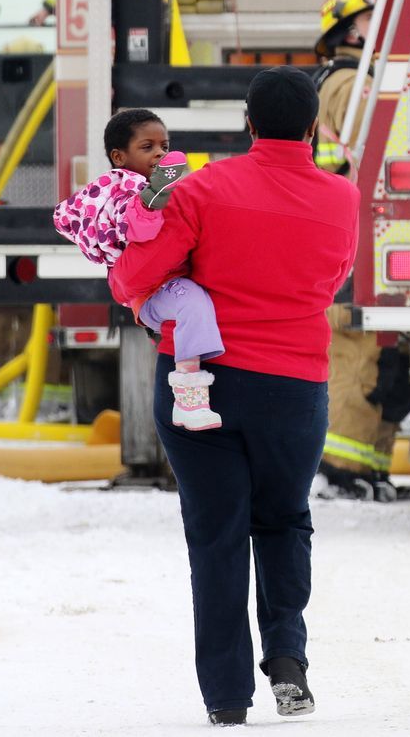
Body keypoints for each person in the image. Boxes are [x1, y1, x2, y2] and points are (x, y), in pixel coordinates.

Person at [110, 66, 359, 726]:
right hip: (293, 385)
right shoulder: (341, 199)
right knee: (283, 519)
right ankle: (288, 663)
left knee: (216, 534)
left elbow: (135, 277)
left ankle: (225, 698)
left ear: (247, 123)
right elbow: (332, 278)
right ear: (312, 126)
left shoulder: (202, 189)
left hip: (202, 384)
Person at [312, 0, 410, 502]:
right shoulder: (345, 84)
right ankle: (336, 467)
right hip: (347, 238)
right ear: (354, 29)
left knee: (383, 362)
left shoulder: (362, 80)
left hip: (367, 233)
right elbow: (378, 139)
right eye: (378, 17)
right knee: (355, 353)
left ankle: (370, 465)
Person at [53, 109, 224, 429]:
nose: (159, 152)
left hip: (162, 285)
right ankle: (189, 399)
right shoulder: (120, 190)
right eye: (148, 147)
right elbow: (132, 230)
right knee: (194, 302)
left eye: (164, 145)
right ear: (119, 156)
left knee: (198, 300)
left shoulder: (133, 186)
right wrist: (150, 201)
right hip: (152, 293)